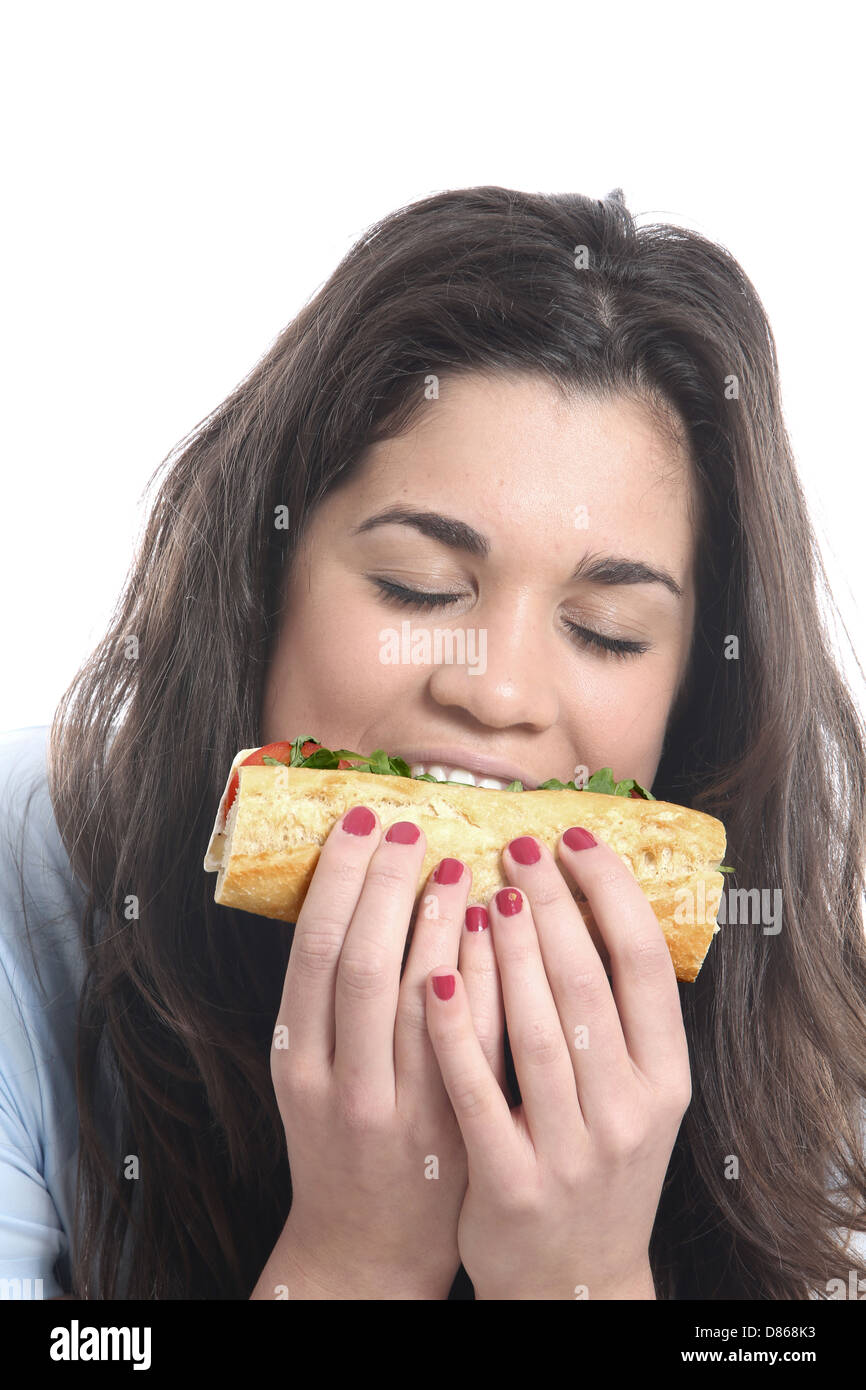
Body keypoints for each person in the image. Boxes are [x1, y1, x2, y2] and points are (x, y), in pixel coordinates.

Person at [1, 185, 864, 1300]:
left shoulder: (808, 1045)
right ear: (262, 583)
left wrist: (581, 1279)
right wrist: (355, 1258)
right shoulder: (25, 878)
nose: (497, 692)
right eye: (418, 586)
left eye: (606, 631)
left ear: (692, 695)